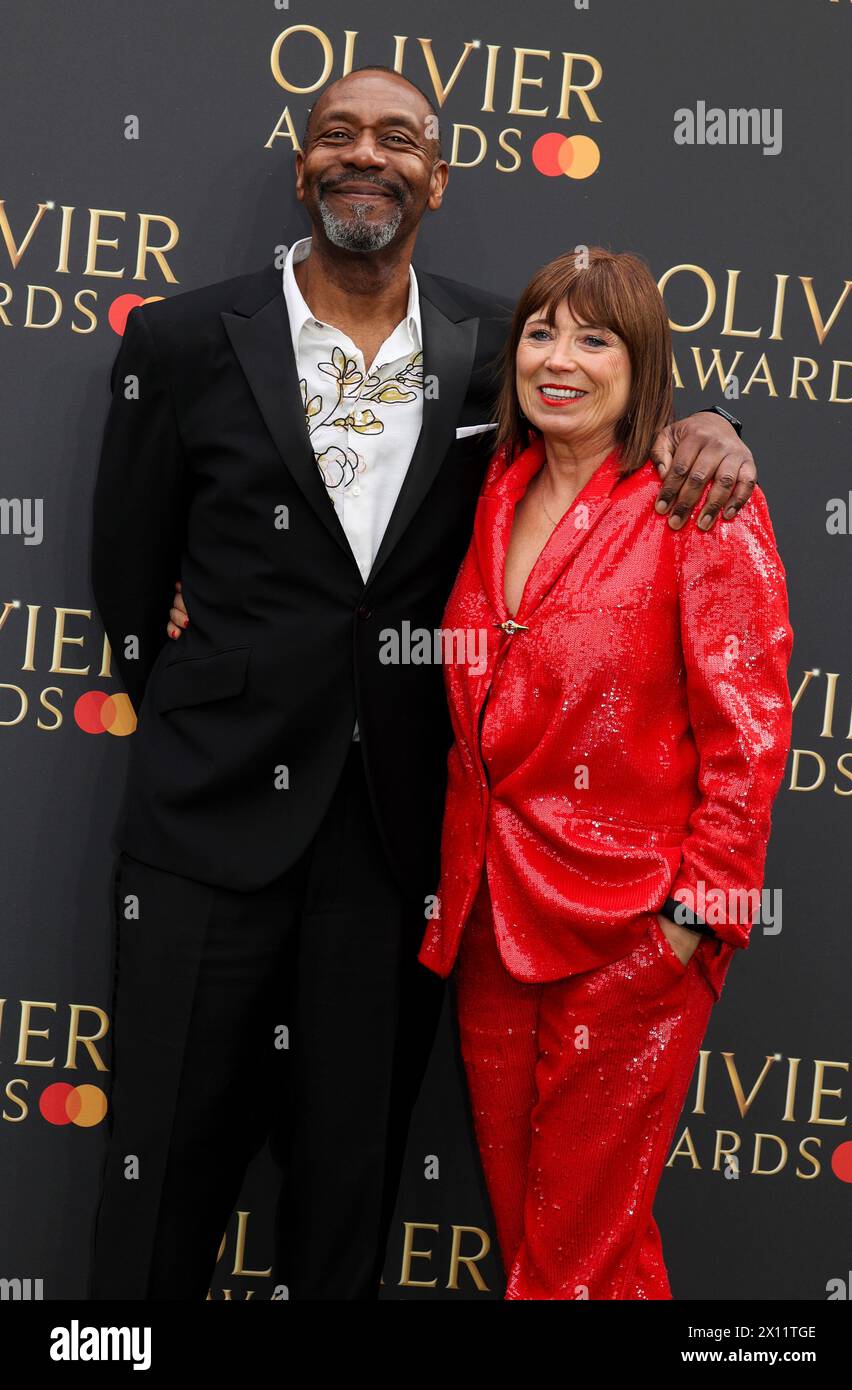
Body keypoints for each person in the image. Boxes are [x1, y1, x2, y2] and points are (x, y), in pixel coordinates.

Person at [90, 65, 758, 1301]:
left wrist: (707, 423)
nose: (366, 157)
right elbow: (125, 585)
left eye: (398, 139)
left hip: (397, 852)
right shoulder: (181, 339)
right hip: (201, 834)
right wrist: (200, 677)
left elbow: (601, 398)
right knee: (153, 1191)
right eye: (336, 134)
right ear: (301, 168)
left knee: (346, 1196)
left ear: (435, 178)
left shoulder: (490, 346)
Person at [417, 247, 794, 1300]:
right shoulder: (491, 483)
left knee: (571, 1253)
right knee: (562, 1243)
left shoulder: (693, 504)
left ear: (644, 366)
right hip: (490, 922)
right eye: (540, 332)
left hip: (630, 930)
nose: (560, 358)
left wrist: (692, 914)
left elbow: (750, 728)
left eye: (595, 338)